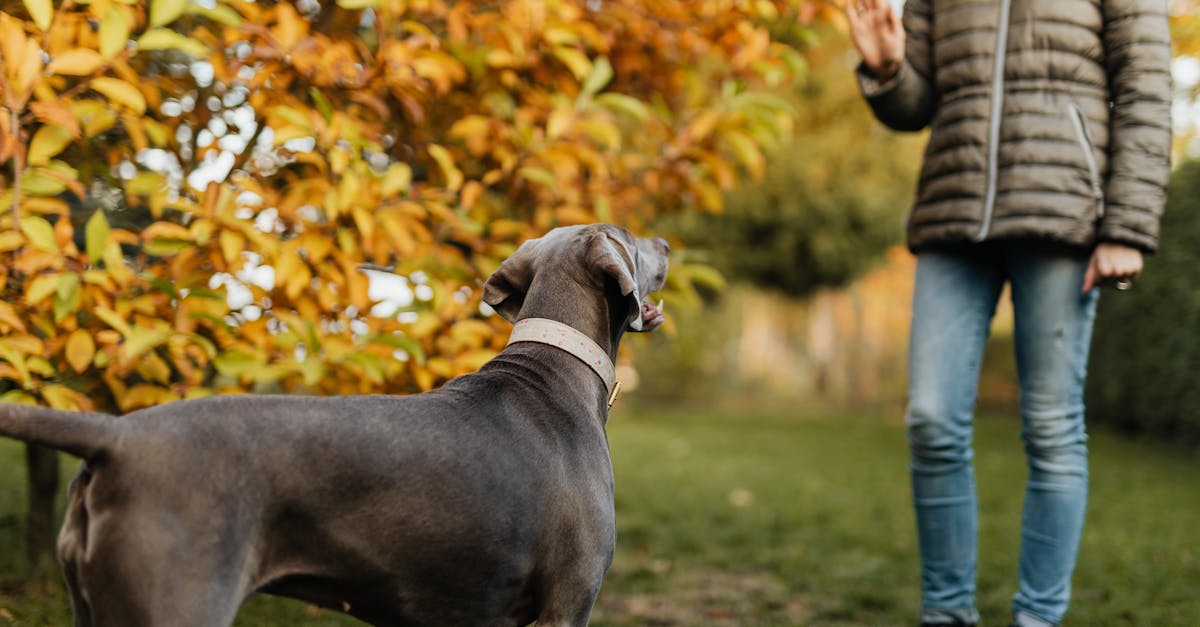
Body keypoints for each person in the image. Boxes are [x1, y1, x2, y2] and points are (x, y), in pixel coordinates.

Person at [844, 0, 1172, 625]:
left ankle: (1038, 619)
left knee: (1051, 428)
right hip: (953, 216)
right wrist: (887, 69)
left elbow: (1146, 90)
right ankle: (946, 615)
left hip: (1063, 216)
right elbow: (921, 105)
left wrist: (1127, 227)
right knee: (932, 419)